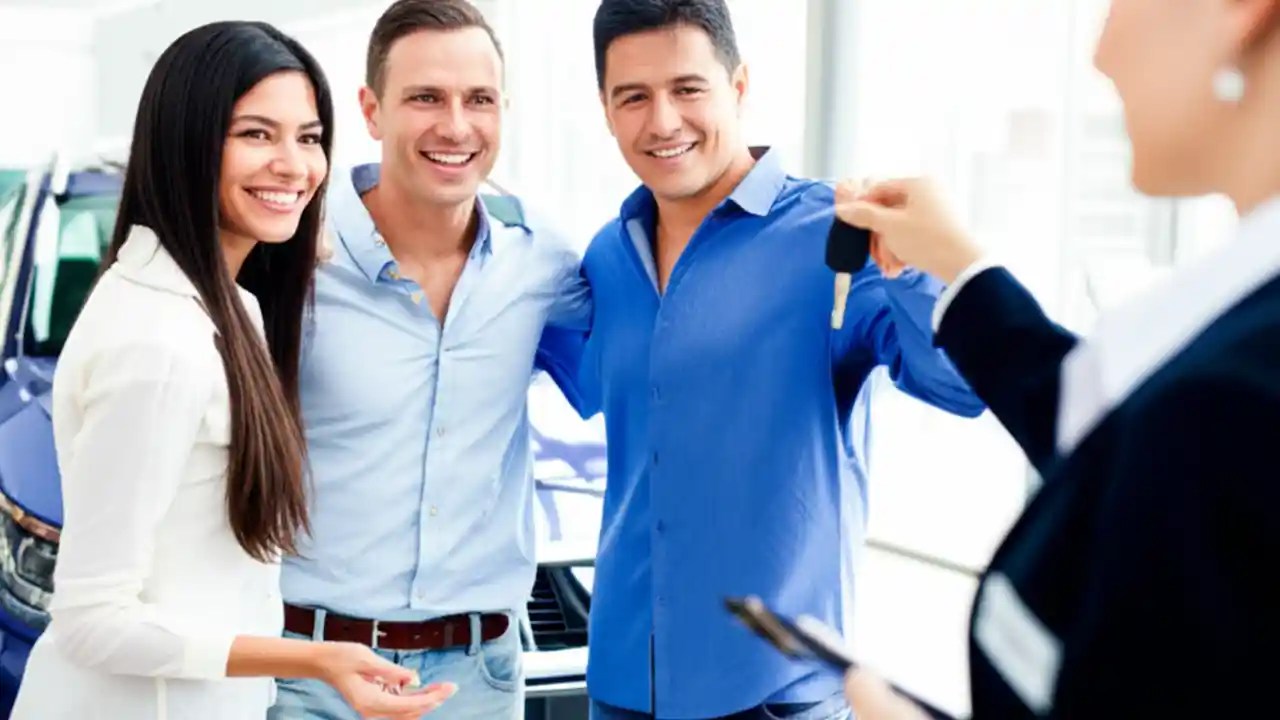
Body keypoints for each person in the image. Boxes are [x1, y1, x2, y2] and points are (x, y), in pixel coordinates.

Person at [838, 0, 1280, 717]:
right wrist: (958, 263)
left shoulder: (1233, 403)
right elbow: (1116, 439)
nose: (1100, 51)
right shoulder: (1228, 348)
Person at [9, 20, 456, 720]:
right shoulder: (157, 342)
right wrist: (316, 658)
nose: (294, 165)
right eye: (255, 134)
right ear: (185, 142)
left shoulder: (222, 305)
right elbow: (94, 619)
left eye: (308, 138)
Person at [565, 1, 985, 718]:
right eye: (632, 97)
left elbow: (962, 385)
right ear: (605, 109)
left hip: (776, 695)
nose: (662, 120)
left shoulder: (837, 237)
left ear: (739, 84)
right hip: (624, 685)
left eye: (687, 88)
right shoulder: (609, 252)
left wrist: (917, 265)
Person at [268, 1, 590, 718]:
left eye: (479, 99)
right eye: (425, 98)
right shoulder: (288, 259)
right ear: (372, 110)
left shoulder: (541, 263)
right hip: (307, 677)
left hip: (479, 681)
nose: (455, 125)